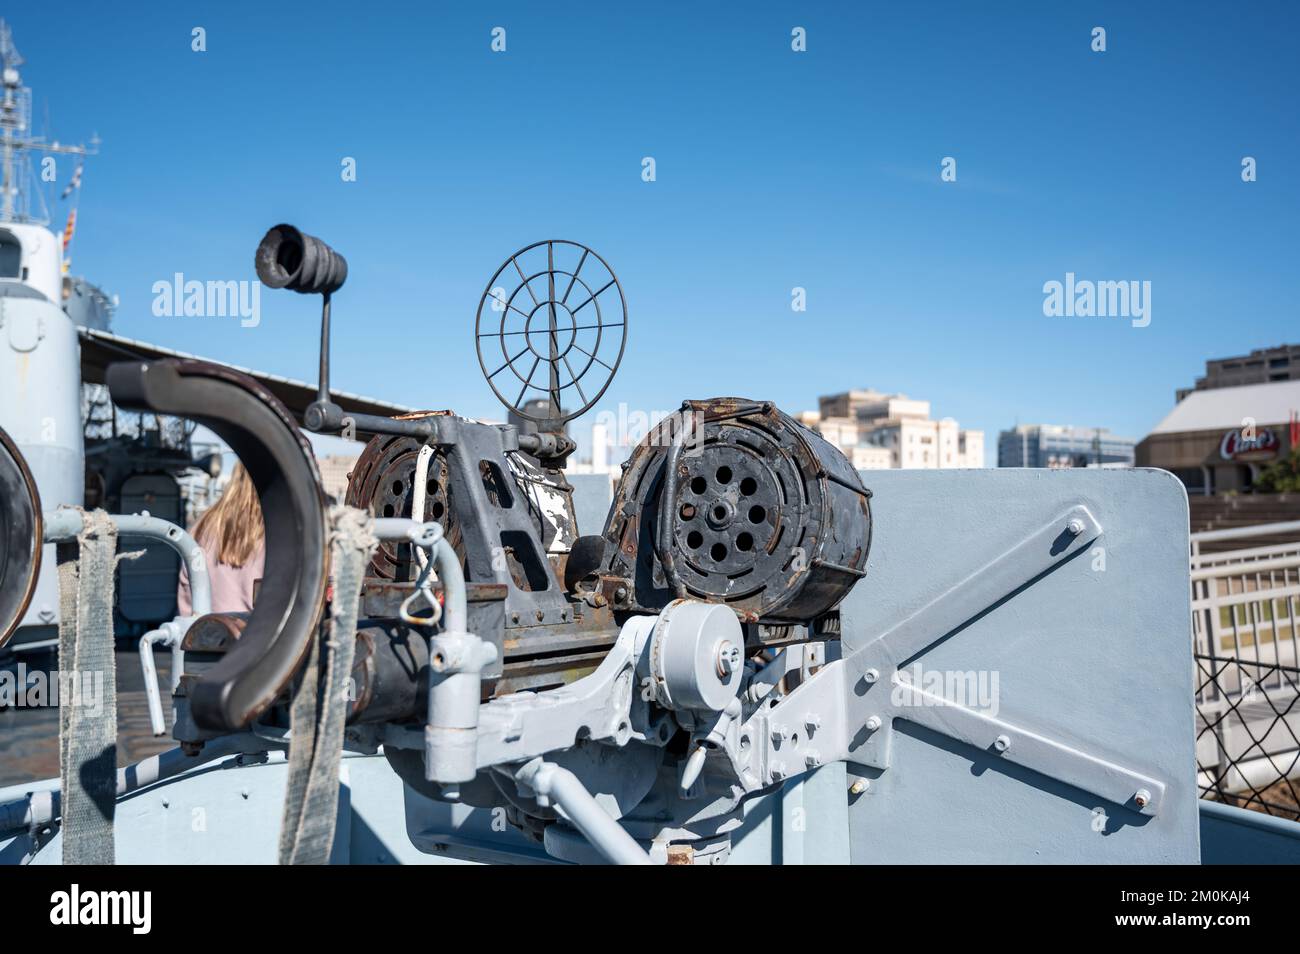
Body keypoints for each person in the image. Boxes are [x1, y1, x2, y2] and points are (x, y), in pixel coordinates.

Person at [178, 462, 265, 615]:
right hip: (259, 634)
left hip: (203, 633)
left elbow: (187, 599)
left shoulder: (201, 526)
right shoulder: (278, 532)